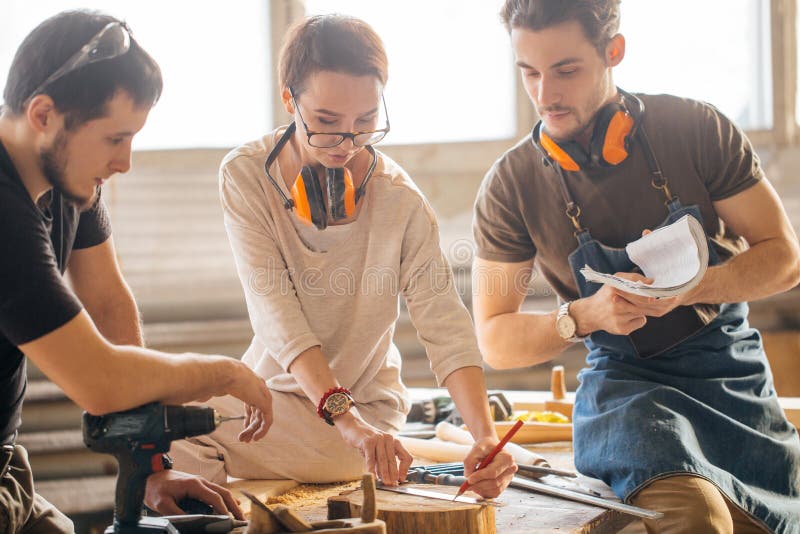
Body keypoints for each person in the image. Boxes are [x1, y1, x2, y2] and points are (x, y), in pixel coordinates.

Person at [472, 1, 800, 532]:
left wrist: (694, 286)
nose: (544, 94)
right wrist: (583, 316)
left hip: (728, 373)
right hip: (627, 391)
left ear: (613, 51)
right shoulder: (509, 185)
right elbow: (493, 338)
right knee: (695, 518)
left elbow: (784, 259)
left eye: (566, 70)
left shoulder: (697, 128)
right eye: (529, 72)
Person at [170, 14, 517, 497]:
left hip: (367, 415)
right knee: (167, 426)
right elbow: (276, 314)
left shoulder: (400, 200)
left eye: (366, 122)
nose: (347, 145)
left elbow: (444, 324)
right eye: (327, 123)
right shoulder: (245, 174)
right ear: (289, 99)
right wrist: (341, 416)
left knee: (180, 435)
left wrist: (484, 437)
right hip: (282, 397)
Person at [0, 10, 274, 532]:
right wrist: (225, 373)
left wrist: (150, 464)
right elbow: (100, 381)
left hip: (6, 468)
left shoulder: (66, 181)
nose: (125, 162)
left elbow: (107, 304)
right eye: (114, 139)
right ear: (43, 115)